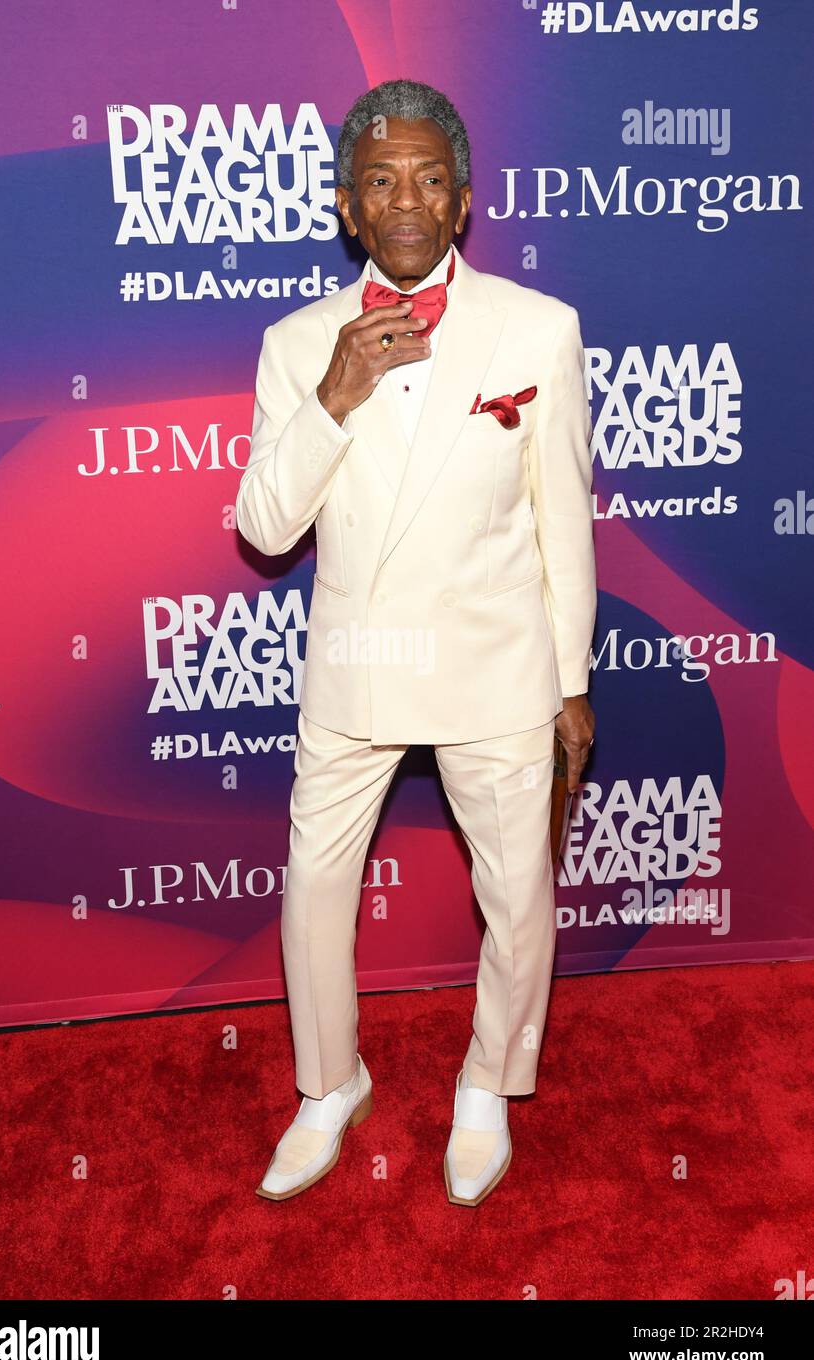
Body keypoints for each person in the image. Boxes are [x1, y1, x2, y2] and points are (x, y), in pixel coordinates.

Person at [237, 78, 596, 1206]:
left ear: (463, 201)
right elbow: (262, 527)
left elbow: (562, 520)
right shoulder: (295, 345)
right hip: (354, 665)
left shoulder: (536, 329)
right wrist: (334, 397)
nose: (406, 199)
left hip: (495, 661)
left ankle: (488, 1080)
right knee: (313, 888)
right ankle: (327, 1084)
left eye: (428, 177)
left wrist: (570, 679)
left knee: (519, 894)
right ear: (349, 207)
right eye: (381, 179)